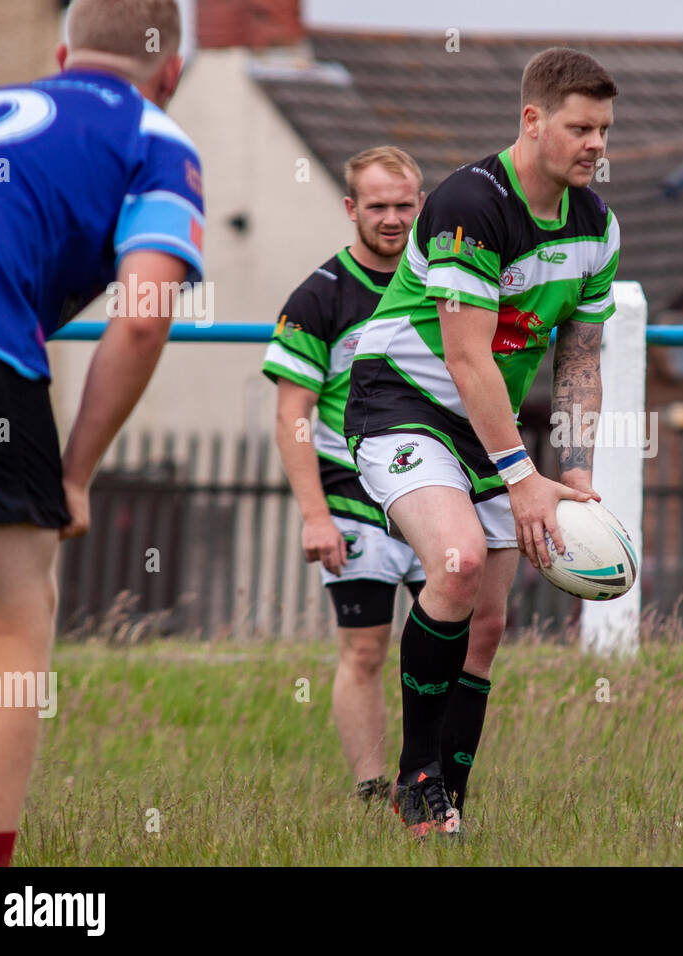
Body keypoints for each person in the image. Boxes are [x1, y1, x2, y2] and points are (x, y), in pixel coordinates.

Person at [344, 47, 621, 837]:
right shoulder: (471, 201)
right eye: (580, 128)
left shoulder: (597, 227)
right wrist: (520, 476)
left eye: (604, 129)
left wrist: (571, 471)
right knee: (458, 561)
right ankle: (415, 784)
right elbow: (466, 354)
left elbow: (580, 360)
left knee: (490, 624)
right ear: (533, 121)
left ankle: (450, 800)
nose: (596, 144)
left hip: (488, 426)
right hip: (404, 403)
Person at [0, 0, 204, 866]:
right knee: (8, 624)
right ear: (168, 74)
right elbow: (142, 315)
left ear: (63, 54)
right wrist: (76, 472)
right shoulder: (155, 138)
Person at [263, 146, 427, 804]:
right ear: (351, 208)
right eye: (378, 206)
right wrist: (314, 515)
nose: (392, 219)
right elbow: (291, 413)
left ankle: (430, 780)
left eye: (404, 205)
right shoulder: (318, 296)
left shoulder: (445, 283)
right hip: (352, 499)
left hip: (434, 488)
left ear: (422, 204)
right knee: (365, 651)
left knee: (448, 648)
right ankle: (369, 787)